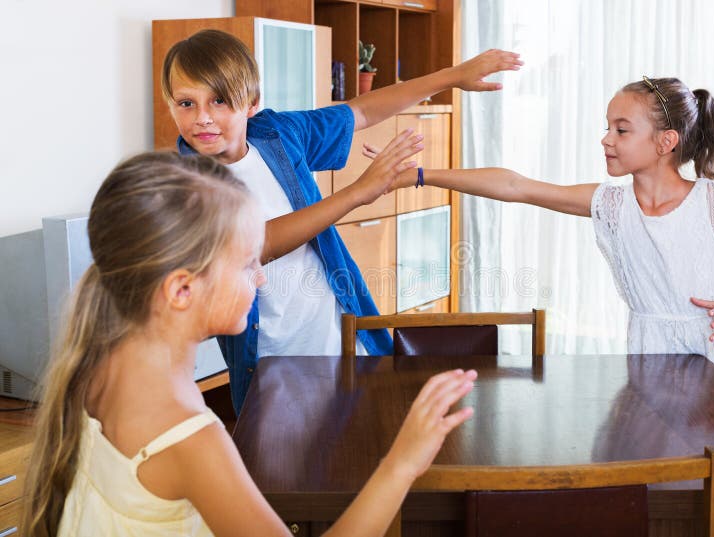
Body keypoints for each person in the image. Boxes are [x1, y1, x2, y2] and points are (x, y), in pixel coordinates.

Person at [21, 152, 478, 537]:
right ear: (181, 290)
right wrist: (401, 463)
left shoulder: (96, 370)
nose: (260, 277)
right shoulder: (191, 439)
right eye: (246, 265)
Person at [371, 76, 714, 420]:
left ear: (666, 142)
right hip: (656, 361)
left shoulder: (713, 202)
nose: (606, 139)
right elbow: (516, 186)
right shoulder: (612, 205)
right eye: (608, 126)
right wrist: (420, 176)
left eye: (622, 130)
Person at [161, 29, 521, 413]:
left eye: (218, 100)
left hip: (343, 338)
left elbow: (362, 111)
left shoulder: (278, 135)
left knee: (358, 452)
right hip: (270, 366)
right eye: (186, 103)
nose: (202, 118)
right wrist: (356, 194)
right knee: (286, 468)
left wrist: (452, 75)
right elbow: (254, 246)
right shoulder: (182, 184)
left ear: (251, 103)